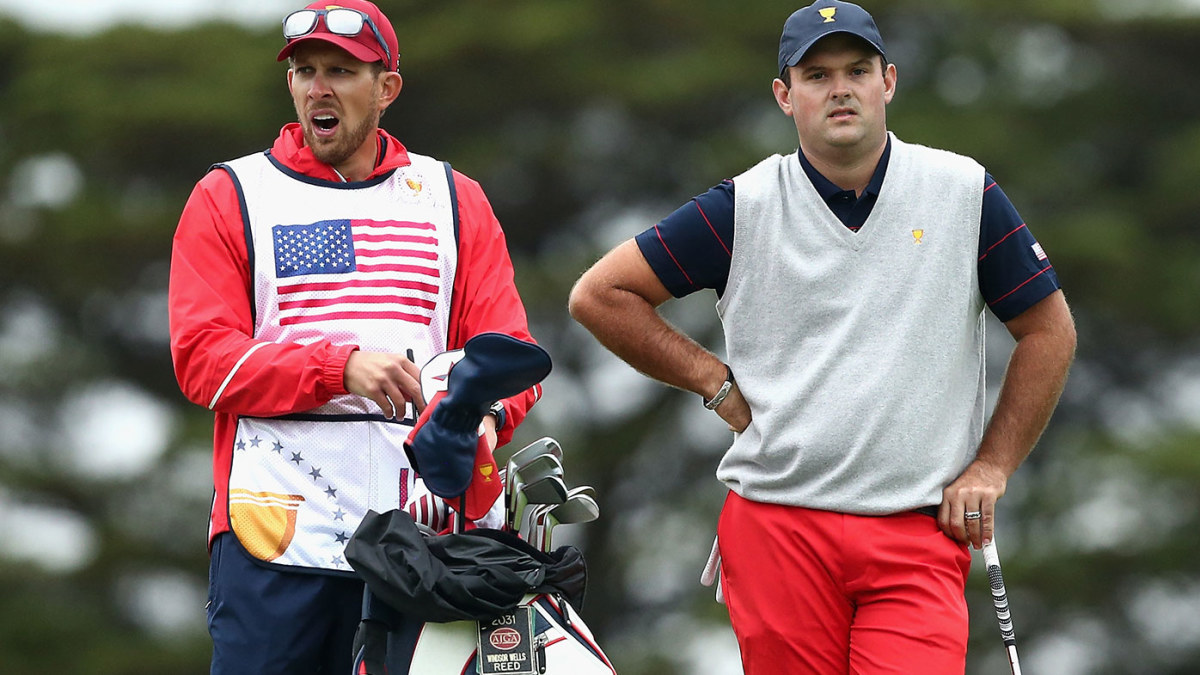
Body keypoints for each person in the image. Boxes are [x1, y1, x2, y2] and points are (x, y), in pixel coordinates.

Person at [568, 1, 1076, 672]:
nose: (840, 88)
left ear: (887, 81)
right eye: (816, 75)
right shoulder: (743, 205)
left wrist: (992, 465)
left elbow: (1048, 328)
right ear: (785, 94)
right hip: (777, 527)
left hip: (916, 530)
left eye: (857, 70)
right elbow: (600, 295)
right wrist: (710, 380)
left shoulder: (963, 192)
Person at [167, 1, 540, 672]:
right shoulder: (230, 193)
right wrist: (340, 368)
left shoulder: (455, 198)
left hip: (423, 543)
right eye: (305, 71)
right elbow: (203, 361)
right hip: (276, 537)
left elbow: (510, 353)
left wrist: (483, 417)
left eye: (341, 70)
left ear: (386, 88)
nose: (318, 88)